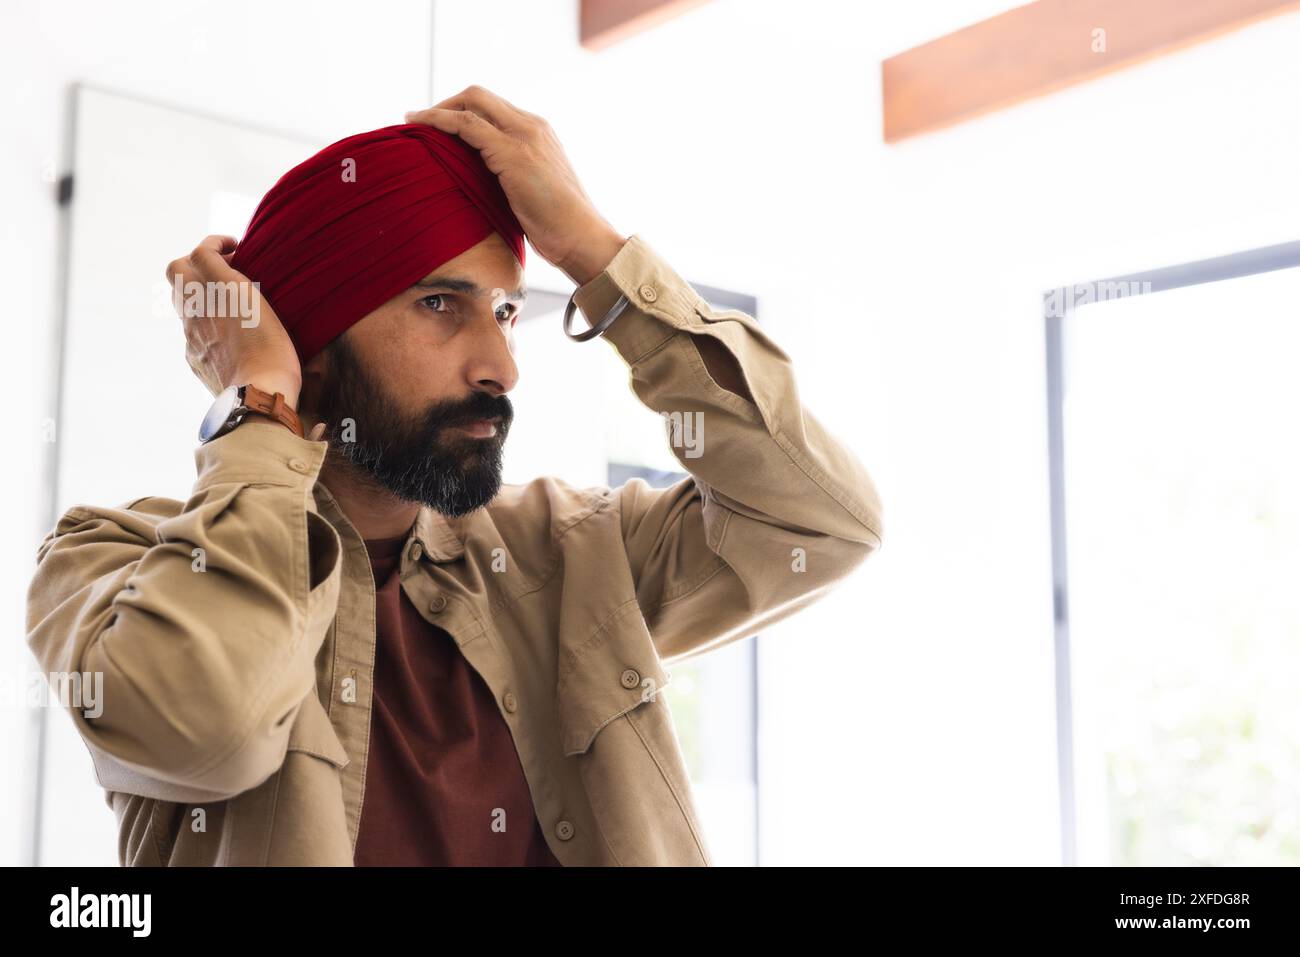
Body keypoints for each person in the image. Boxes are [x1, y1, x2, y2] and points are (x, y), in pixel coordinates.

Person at [26, 85, 884, 866]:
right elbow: (200, 726)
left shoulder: (571, 550)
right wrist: (255, 404)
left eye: (506, 311)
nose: (501, 366)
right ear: (307, 348)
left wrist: (598, 257)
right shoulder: (112, 564)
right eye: (441, 304)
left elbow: (818, 523)